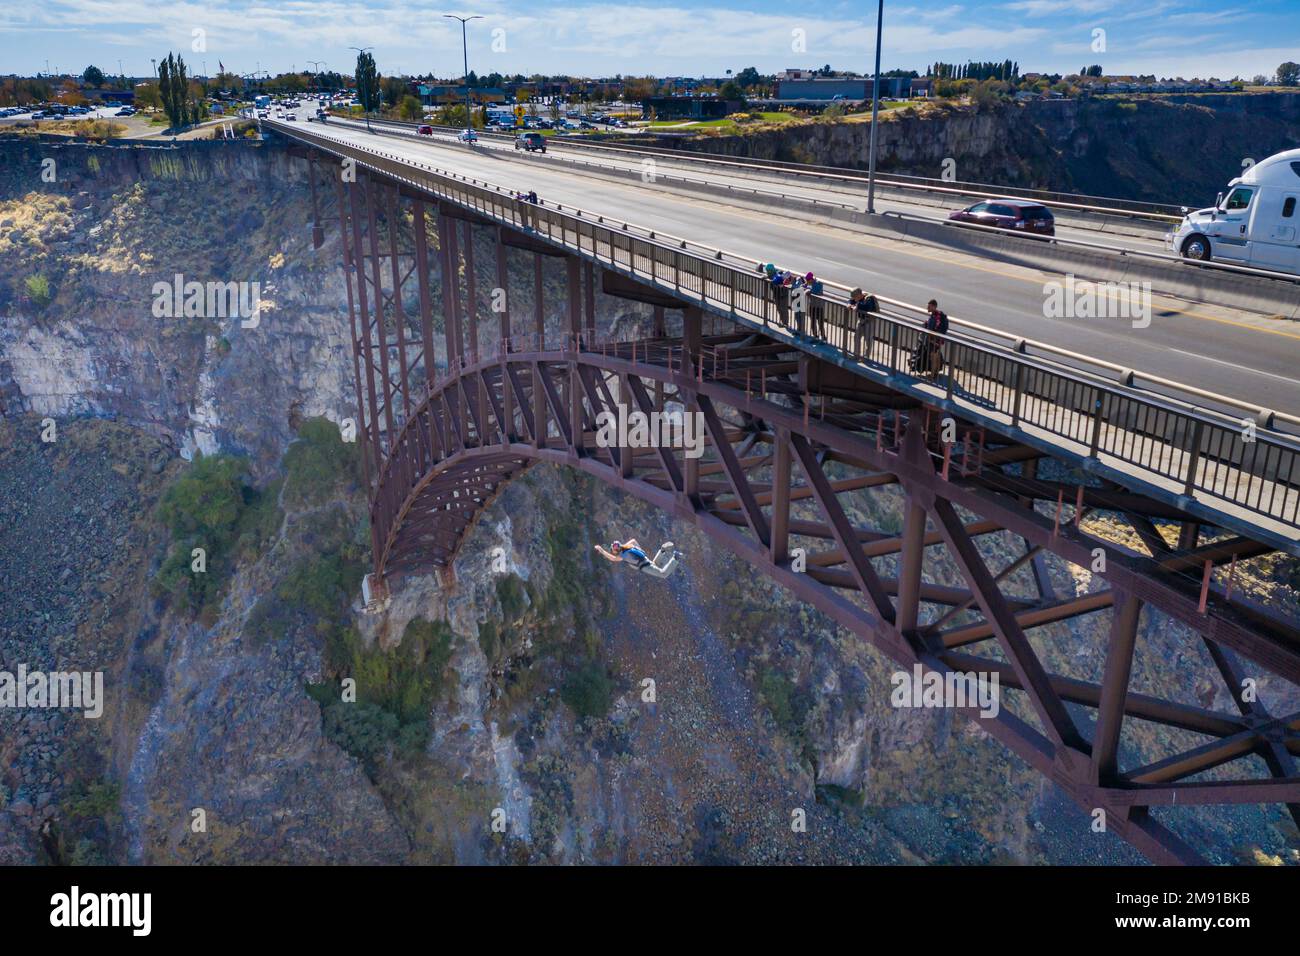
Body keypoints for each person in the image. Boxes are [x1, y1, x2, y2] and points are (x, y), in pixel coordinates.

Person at [595, 538, 682, 579]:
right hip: (646, 559)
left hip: (644, 566)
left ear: (615, 550)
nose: (613, 551)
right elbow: (633, 540)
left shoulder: (623, 555)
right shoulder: (628, 546)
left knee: (663, 574)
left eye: (613, 550)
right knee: (655, 564)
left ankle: (675, 558)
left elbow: (613, 559)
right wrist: (640, 549)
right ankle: (662, 550)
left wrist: (602, 551)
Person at [918, 299, 949, 379]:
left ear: (934, 307)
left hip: (934, 340)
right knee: (937, 356)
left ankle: (932, 376)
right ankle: (935, 373)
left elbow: (932, 328)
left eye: (929, 306)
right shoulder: (937, 316)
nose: (927, 308)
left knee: (933, 357)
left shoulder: (936, 317)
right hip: (937, 340)